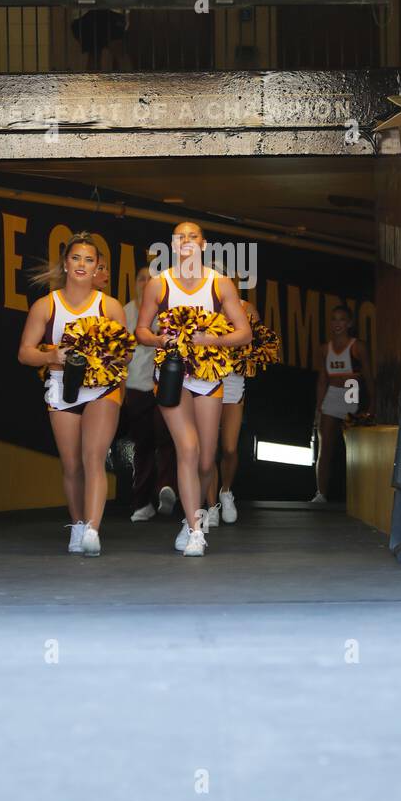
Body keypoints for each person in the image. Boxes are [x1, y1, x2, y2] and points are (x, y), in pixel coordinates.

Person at [135, 223, 251, 557]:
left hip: (209, 375)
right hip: (172, 375)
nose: (186, 241)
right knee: (186, 448)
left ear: (203, 244)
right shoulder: (159, 284)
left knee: (204, 460)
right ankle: (195, 530)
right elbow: (141, 329)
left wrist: (212, 339)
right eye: (179, 236)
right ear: (171, 244)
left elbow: (243, 333)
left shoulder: (220, 283)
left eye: (192, 236)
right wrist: (159, 339)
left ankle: (193, 516)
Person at [17, 232, 126, 556]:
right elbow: (24, 353)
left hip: (102, 389)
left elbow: (127, 353)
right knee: (72, 465)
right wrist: (53, 356)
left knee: (94, 458)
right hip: (62, 389)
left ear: (97, 269)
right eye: (76, 258)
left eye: (89, 260)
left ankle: (93, 529)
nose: (82, 264)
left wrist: (101, 355)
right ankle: (78, 524)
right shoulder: (45, 305)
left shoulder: (110, 306)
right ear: (65, 263)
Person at [121, 264, 179, 522]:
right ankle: (142, 502)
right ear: (134, 283)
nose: (145, 283)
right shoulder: (124, 312)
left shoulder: (166, 312)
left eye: (150, 279)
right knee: (142, 444)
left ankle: (167, 488)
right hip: (135, 387)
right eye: (140, 278)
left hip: (163, 384)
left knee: (167, 439)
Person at [310, 304, 375, 505]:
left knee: (356, 447)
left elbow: (369, 377)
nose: (337, 324)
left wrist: (373, 404)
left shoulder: (357, 346)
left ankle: (360, 496)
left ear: (349, 323)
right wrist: (318, 409)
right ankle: (321, 493)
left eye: (341, 319)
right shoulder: (324, 349)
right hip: (334, 395)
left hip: (353, 393)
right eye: (334, 319)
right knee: (325, 445)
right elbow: (322, 380)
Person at [205, 298, 260, 527]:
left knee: (229, 447)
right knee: (208, 449)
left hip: (233, 379)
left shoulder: (246, 308)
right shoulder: (201, 304)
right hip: (206, 377)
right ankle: (211, 506)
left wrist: (244, 352)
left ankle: (226, 492)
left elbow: (258, 344)